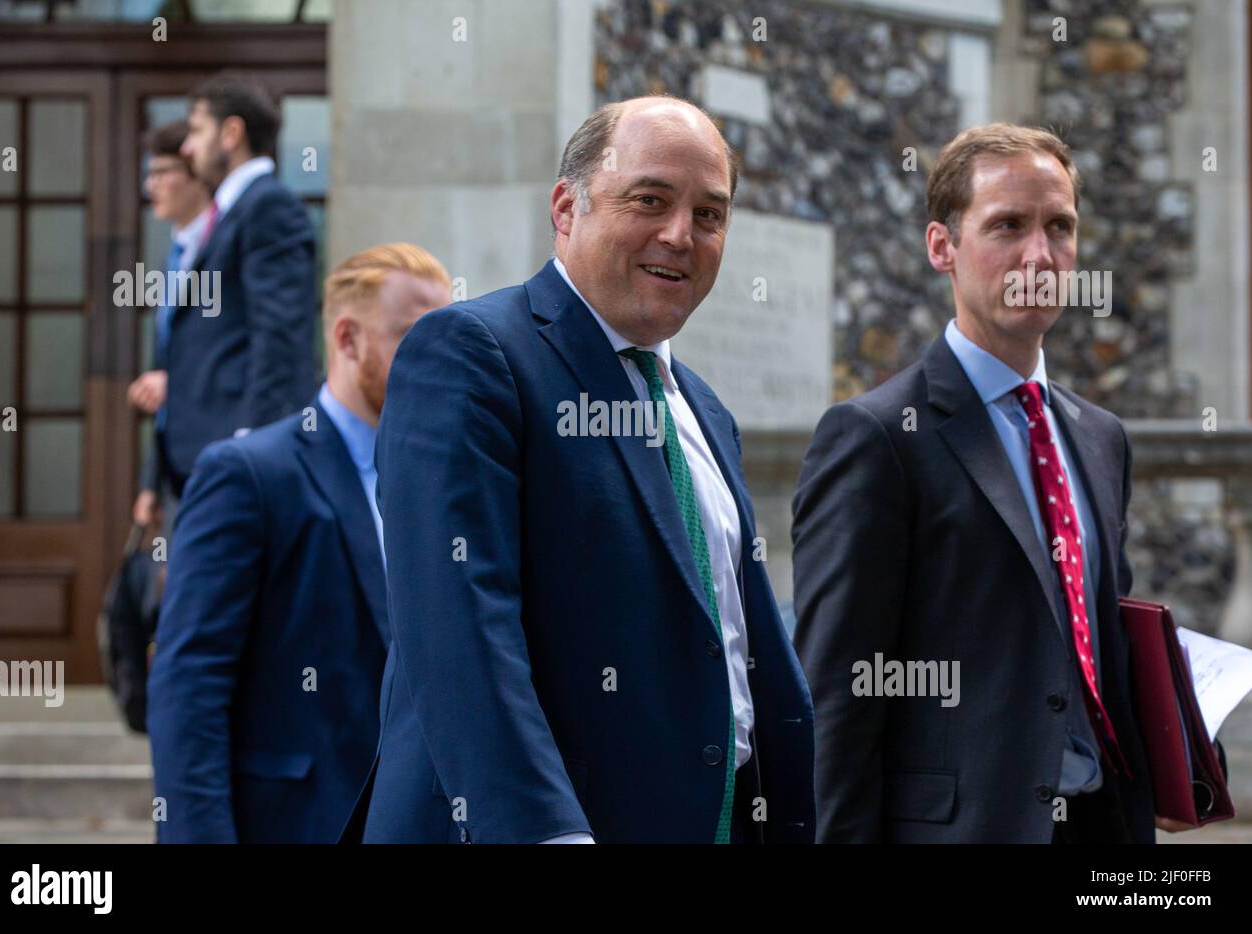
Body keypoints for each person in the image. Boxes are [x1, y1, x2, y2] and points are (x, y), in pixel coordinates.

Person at [345, 96, 814, 844]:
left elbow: (733, 644)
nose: (680, 235)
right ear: (567, 207)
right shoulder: (471, 353)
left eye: (710, 214)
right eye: (649, 200)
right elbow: (460, 626)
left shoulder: (704, 410)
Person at [791, 123, 1177, 843]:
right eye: (1007, 225)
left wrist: (1176, 752)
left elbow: (1099, 648)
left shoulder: (1099, 438)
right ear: (943, 247)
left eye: (1059, 227)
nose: (1039, 254)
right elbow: (839, 698)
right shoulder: (875, 438)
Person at [147, 243, 451, 843]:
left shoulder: (446, 482)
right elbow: (190, 684)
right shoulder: (248, 473)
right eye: (414, 340)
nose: (436, 365)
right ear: (346, 338)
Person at [163, 71, 316, 496]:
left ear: (231, 133)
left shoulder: (268, 206)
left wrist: (256, 440)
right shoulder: (231, 212)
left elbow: (280, 333)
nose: (187, 147)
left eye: (196, 130)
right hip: (212, 450)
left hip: (241, 450)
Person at [129, 120, 214, 527]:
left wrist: (174, 385)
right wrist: (151, 480)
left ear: (195, 173)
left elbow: (237, 359)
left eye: (162, 172)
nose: (151, 186)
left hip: (217, 455)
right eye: (149, 173)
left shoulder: (221, 249)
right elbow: (165, 367)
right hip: (176, 468)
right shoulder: (174, 258)